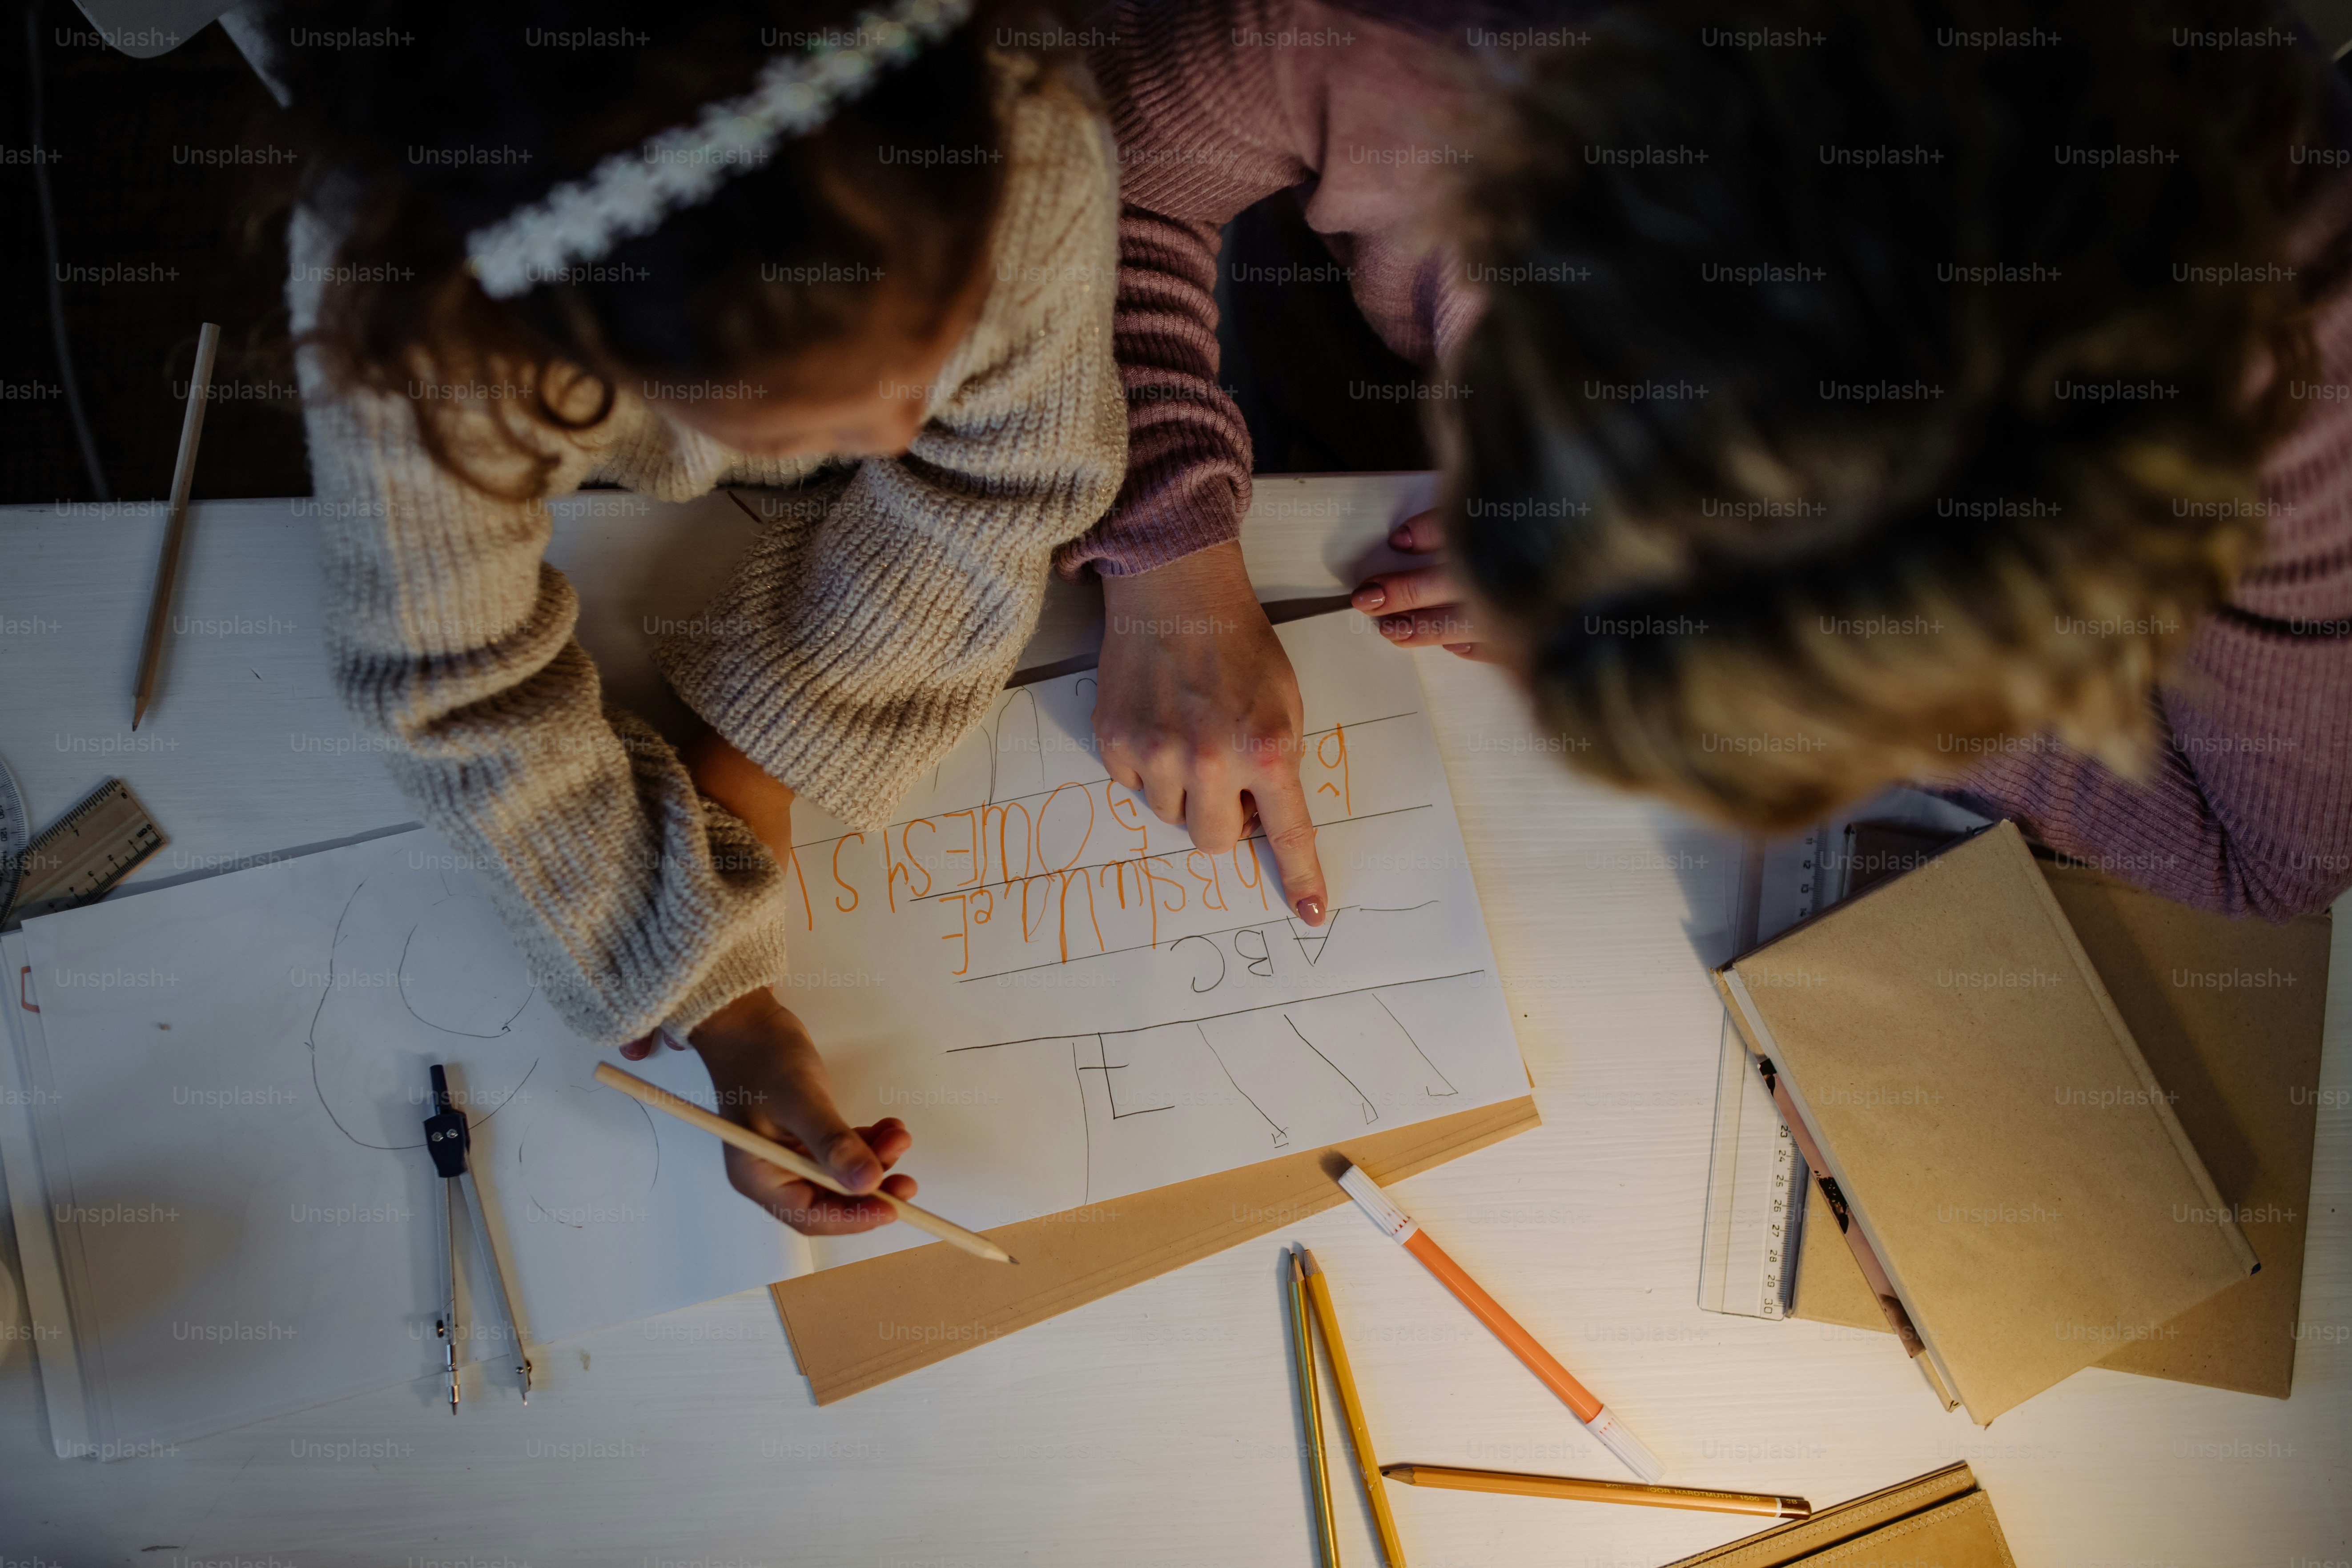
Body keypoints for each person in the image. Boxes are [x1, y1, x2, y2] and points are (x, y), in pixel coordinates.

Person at [1103, 0, 2352, 920]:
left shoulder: (2298, 357)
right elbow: (1098, 170)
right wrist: (1166, 537)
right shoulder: (1394, 43)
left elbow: (2265, 858)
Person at [274, 0, 1130, 1237]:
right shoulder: (424, 307)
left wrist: (764, 751)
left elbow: (1005, 475)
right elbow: (446, 679)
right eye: (813, 426)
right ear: (590, 348)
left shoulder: (1021, 138)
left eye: (930, 354)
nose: (895, 438)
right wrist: (715, 992)